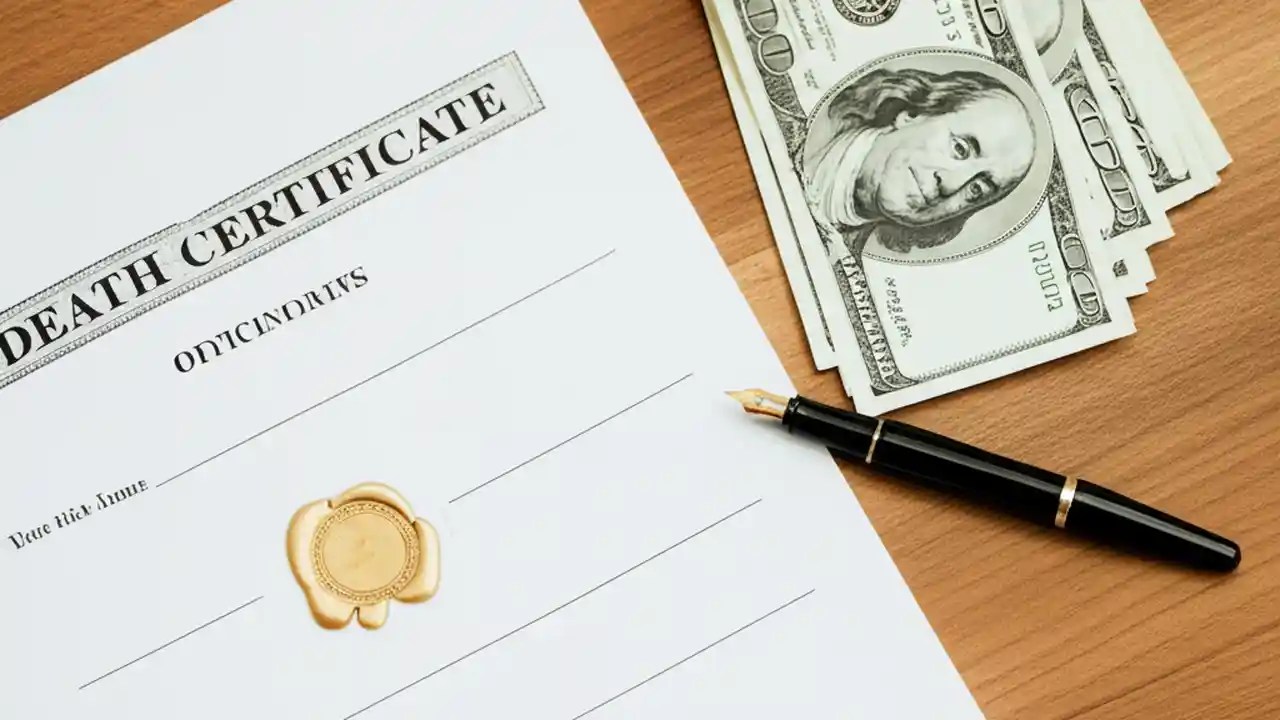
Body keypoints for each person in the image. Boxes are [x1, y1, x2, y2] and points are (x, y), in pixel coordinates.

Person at [802, 67, 1036, 254]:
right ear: (911, 115)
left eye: (977, 189)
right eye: (959, 149)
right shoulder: (808, 134)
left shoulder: (838, 260)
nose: (952, 185)